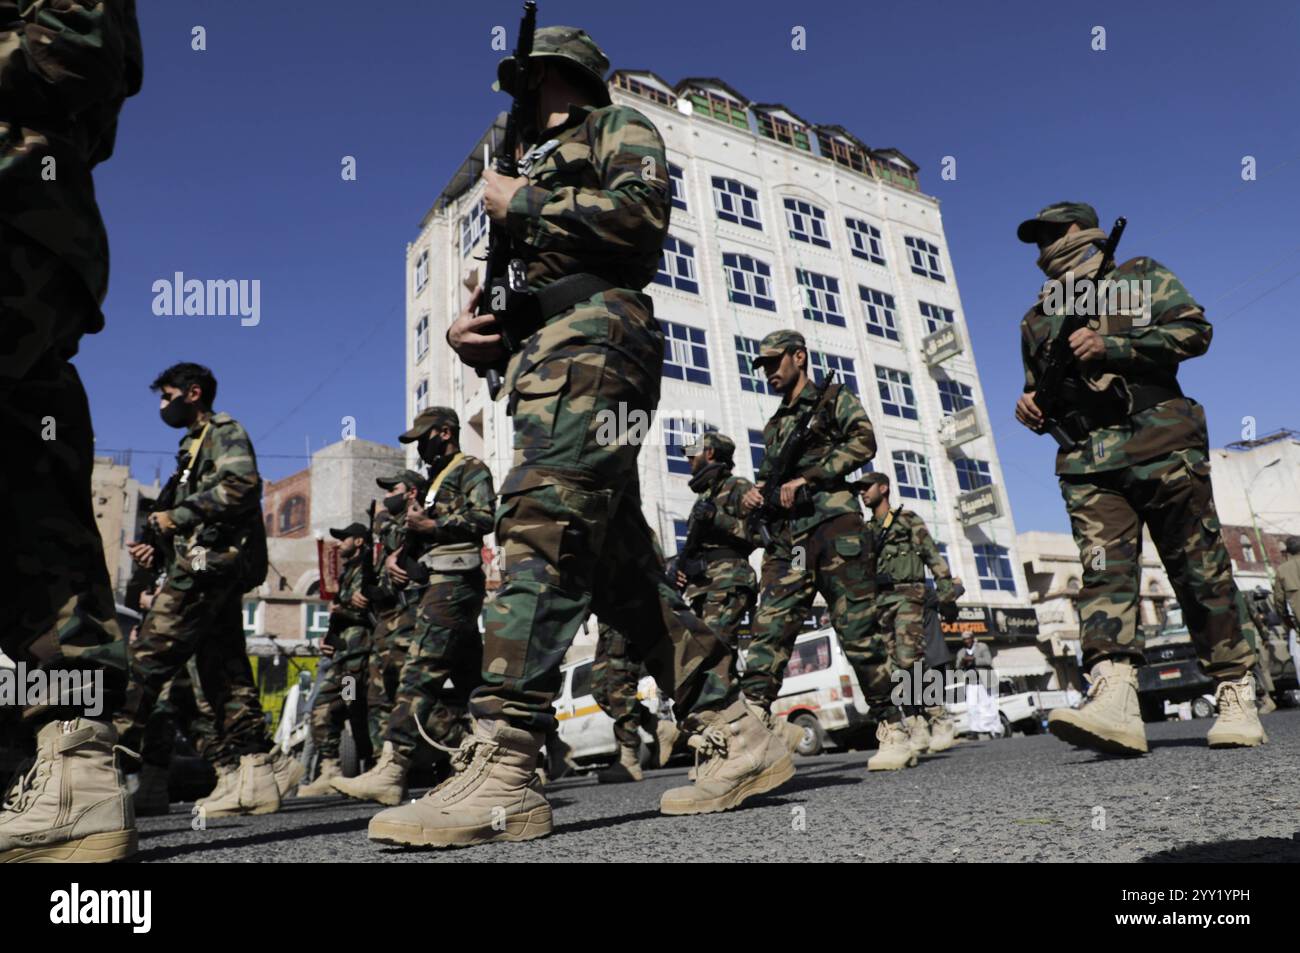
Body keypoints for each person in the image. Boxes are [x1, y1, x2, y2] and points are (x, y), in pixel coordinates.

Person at [399, 23, 791, 849]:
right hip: (548, 354)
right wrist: (491, 332)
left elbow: (642, 222)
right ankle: (735, 727)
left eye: (526, 81)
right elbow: (531, 286)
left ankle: (505, 757)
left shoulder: (616, 128)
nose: (519, 97)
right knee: (617, 567)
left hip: (599, 340)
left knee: (544, 518)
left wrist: (524, 202)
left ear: (552, 75)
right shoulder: (526, 166)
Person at [1014, 201, 1265, 754]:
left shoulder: (1134, 277)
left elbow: (1195, 332)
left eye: (1051, 235)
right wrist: (1032, 406)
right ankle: (1115, 693)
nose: (1043, 250)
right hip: (1087, 459)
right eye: (1036, 241)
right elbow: (1043, 388)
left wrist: (1115, 347)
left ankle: (1234, 688)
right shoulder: (1037, 318)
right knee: (1102, 573)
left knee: (1196, 565)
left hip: (1160, 439)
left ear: (1082, 229)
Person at [0, 0, 143, 862]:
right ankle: (75, 766)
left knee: (26, 472)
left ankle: (79, 765)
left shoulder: (227, 443)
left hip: (16, 202)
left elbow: (78, 43)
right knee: (24, 476)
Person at [120, 362, 291, 816]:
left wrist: (174, 517)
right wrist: (158, 548)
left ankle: (92, 771)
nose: (162, 405)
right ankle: (251, 775)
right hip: (203, 565)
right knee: (225, 673)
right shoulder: (189, 447)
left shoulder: (223, 430)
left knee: (147, 660)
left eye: (167, 395)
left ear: (192, 393)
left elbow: (241, 486)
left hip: (205, 568)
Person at [739, 330, 887, 761]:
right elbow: (771, 480)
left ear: (798, 357)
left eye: (773, 362)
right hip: (789, 538)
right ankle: (750, 730)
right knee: (770, 629)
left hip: (833, 524)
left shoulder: (833, 397)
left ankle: (894, 720)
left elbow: (864, 441)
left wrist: (811, 477)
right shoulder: (775, 424)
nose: (767, 372)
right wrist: (757, 491)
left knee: (858, 633)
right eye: (762, 366)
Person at [333, 408, 494, 806]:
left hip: (455, 580)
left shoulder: (469, 467)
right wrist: (398, 555)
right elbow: (420, 533)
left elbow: (485, 516)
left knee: (419, 671)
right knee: (473, 679)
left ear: (445, 432)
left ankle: (394, 767)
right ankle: (495, 760)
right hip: (434, 583)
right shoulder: (435, 480)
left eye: (424, 438)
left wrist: (432, 526)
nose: (420, 447)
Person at [856, 473, 960, 758]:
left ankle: (940, 719)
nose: (863, 493)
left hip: (908, 595)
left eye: (867, 487)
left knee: (909, 659)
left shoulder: (907, 519)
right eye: (860, 489)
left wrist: (946, 592)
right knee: (895, 668)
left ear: (884, 487)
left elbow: (931, 554)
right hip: (881, 601)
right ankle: (916, 726)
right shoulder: (866, 530)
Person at [297, 523, 375, 796]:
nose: (339, 543)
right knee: (322, 708)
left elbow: (371, 612)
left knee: (355, 708)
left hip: (357, 655)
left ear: (359, 541)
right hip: (340, 654)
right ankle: (330, 770)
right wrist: (327, 640)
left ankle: (372, 770)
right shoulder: (348, 572)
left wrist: (341, 610)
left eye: (344, 539)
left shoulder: (370, 568)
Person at [676, 432, 760, 647]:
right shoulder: (704, 495)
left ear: (710, 452)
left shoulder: (737, 486)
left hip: (727, 581)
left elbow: (758, 534)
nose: (689, 460)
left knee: (712, 650)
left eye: (692, 454)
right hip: (704, 584)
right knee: (704, 654)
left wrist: (717, 518)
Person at [364, 470, 426, 756]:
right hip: (387, 618)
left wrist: (379, 518)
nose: (387, 496)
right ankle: (385, 759)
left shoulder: (416, 517)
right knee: (378, 694)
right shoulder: (391, 524)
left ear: (411, 492)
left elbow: (395, 536)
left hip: (410, 613)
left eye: (393, 490)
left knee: (407, 686)